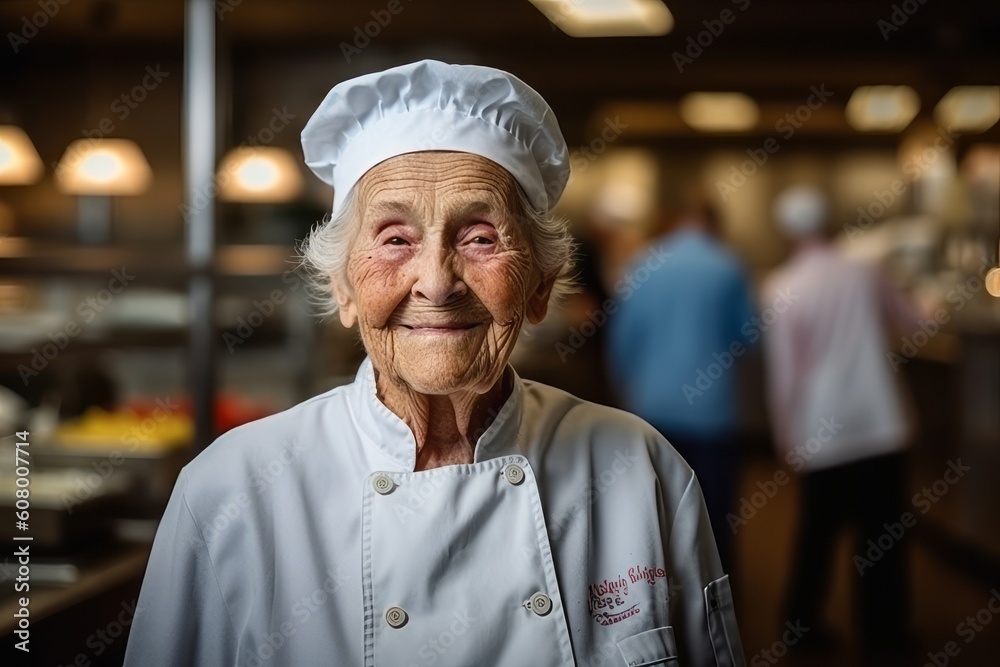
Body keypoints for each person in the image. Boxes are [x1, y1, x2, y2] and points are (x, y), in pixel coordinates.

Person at [124, 60, 745, 666]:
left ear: (537, 286)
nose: (437, 282)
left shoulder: (642, 470)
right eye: (395, 238)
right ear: (344, 288)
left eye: (480, 236)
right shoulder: (229, 494)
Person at [761, 185, 917, 656]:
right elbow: (913, 321)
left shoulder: (781, 287)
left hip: (821, 429)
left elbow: (785, 375)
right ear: (827, 223)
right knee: (884, 538)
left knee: (817, 534)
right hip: (880, 423)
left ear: (786, 231)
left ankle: (801, 628)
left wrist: (786, 436)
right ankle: (884, 639)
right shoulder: (865, 271)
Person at [607, 195, 754, 571]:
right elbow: (750, 336)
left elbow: (622, 343)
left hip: (652, 414)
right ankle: (716, 609)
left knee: (657, 518)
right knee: (715, 519)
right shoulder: (727, 265)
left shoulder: (644, 262)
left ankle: (661, 611)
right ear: (715, 224)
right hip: (712, 415)